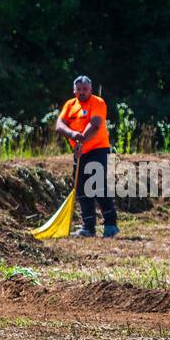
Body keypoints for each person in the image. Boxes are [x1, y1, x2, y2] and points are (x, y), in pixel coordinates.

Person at [54, 76, 116, 238]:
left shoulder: (98, 102)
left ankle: (111, 225)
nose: (82, 93)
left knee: (97, 186)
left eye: (85, 89)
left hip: (97, 149)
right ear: (74, 90)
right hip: (79, 152)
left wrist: (81, 139)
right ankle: (88, 227)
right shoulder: (70, 105)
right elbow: (59, 125)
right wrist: (73, 134)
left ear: (91, 89)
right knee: (81, 188)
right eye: (79, 90)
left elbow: (95, 124)